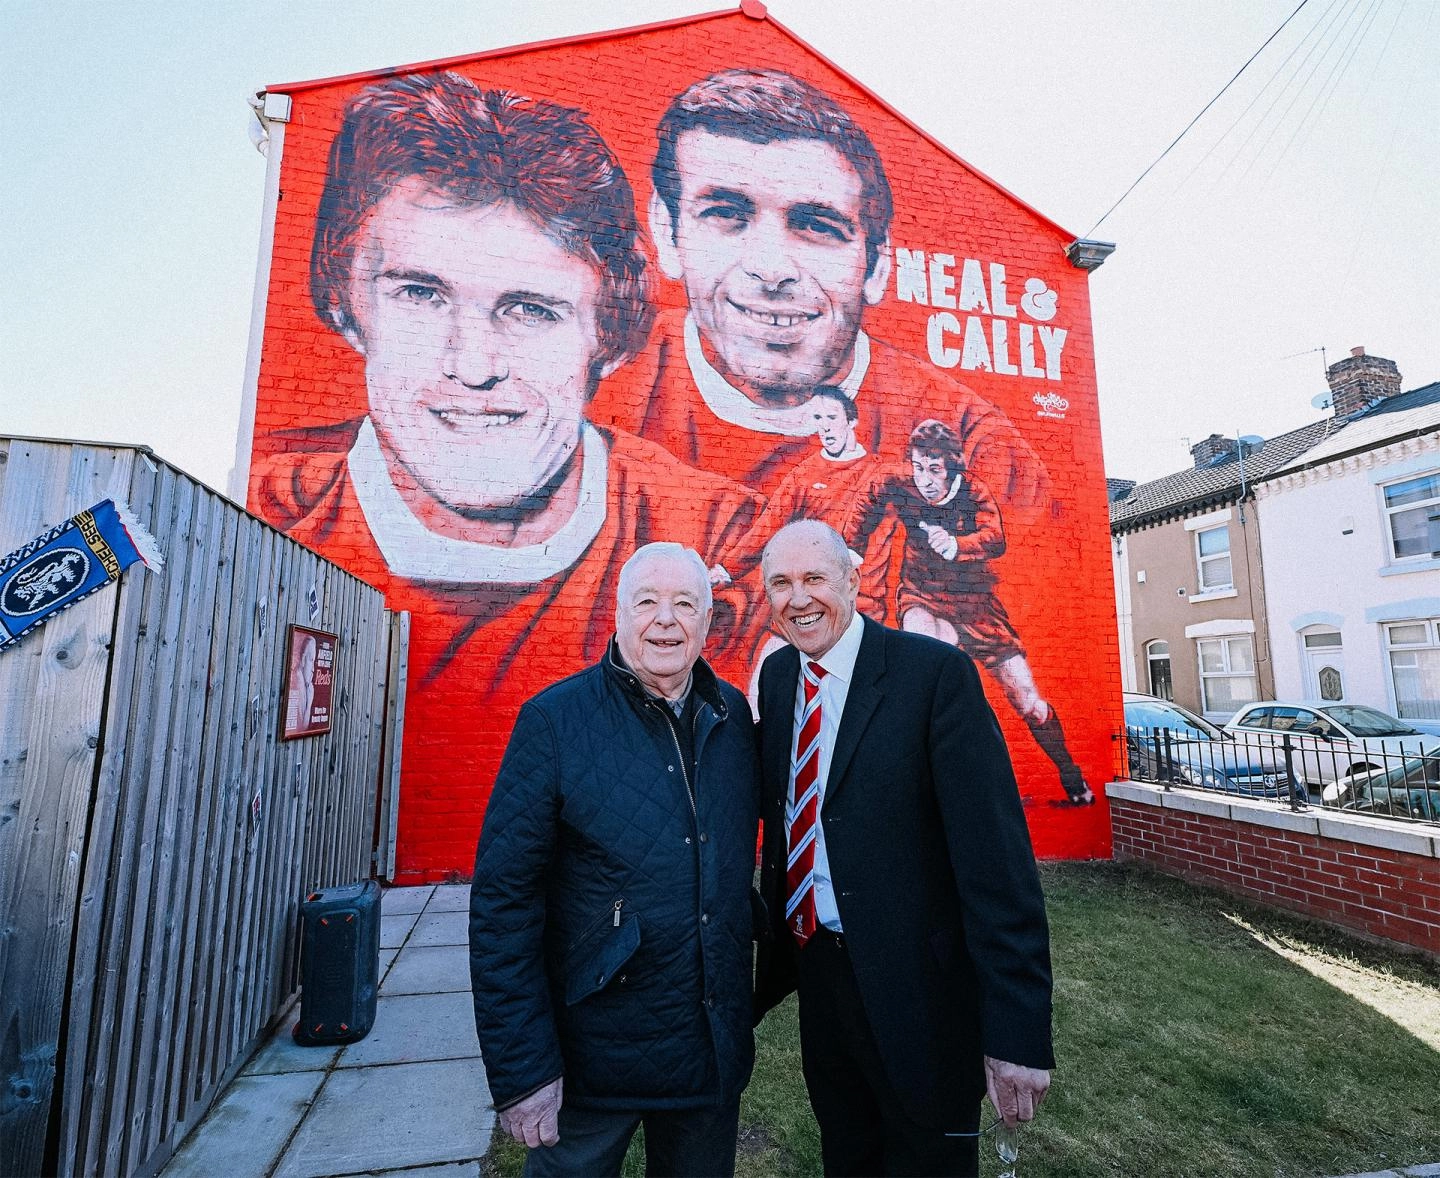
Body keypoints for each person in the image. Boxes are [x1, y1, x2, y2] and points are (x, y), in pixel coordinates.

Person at [251, 73, 760, 866]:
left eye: (531, 310)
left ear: (611, 336)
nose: (473, 364)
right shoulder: (263, 526)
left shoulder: (722, 536)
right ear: (348, 301)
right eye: (421, 294)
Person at [589, 67, 1049, 526]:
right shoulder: (588, 393)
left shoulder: (974, 442)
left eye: (817, 226)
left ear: (876, 264)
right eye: (726, 213)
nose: (771, 269)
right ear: (667, 233)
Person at [754, 519, 1055, 1177]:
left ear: (854, 580)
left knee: (927, 1163)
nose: (798, 598)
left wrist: (1016, 1033)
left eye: (813, 579)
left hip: (923, 995)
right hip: (822, 980)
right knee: (849, 1154)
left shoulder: (934, 676)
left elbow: (996, 865)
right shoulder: (779, 679)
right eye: (780, 583)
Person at [469, 543, 760, 1177]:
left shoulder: (733, 717)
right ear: (617, 614)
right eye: (647, 602)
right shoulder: (554, 721)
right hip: (591, 1059)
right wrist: (524, 1071)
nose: (666, 620)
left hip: (707, 1054)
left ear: (708, 621)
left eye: (685, 603)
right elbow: (502, 903)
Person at [849, 420, 1095, 806]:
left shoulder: (975, 493)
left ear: (952, 468)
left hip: (977, 606)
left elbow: (994, 538)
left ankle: (1071, 776)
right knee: (930, 653)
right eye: (918, 468)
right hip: (922, 595)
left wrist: (957, 544)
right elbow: (869, 500)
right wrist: (851, 550)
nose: (925, 479)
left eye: (935, 470)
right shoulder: (899, 481)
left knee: (1029, 703)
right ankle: (929, 778)